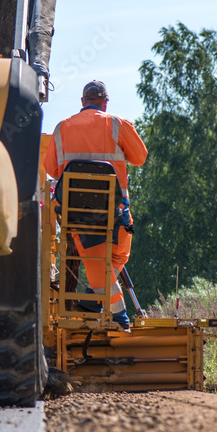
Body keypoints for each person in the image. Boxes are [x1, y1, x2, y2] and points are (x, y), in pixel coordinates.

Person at [44, 80, 148, 329]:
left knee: (109, 262)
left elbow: (50, 169)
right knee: (109, 261)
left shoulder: (61, 129)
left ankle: (92, 300)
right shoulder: (117, 124)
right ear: (105, 101)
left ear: (82, 102)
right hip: (116, 213)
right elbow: (140, 158)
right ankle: (119, 317)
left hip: (78, 215)